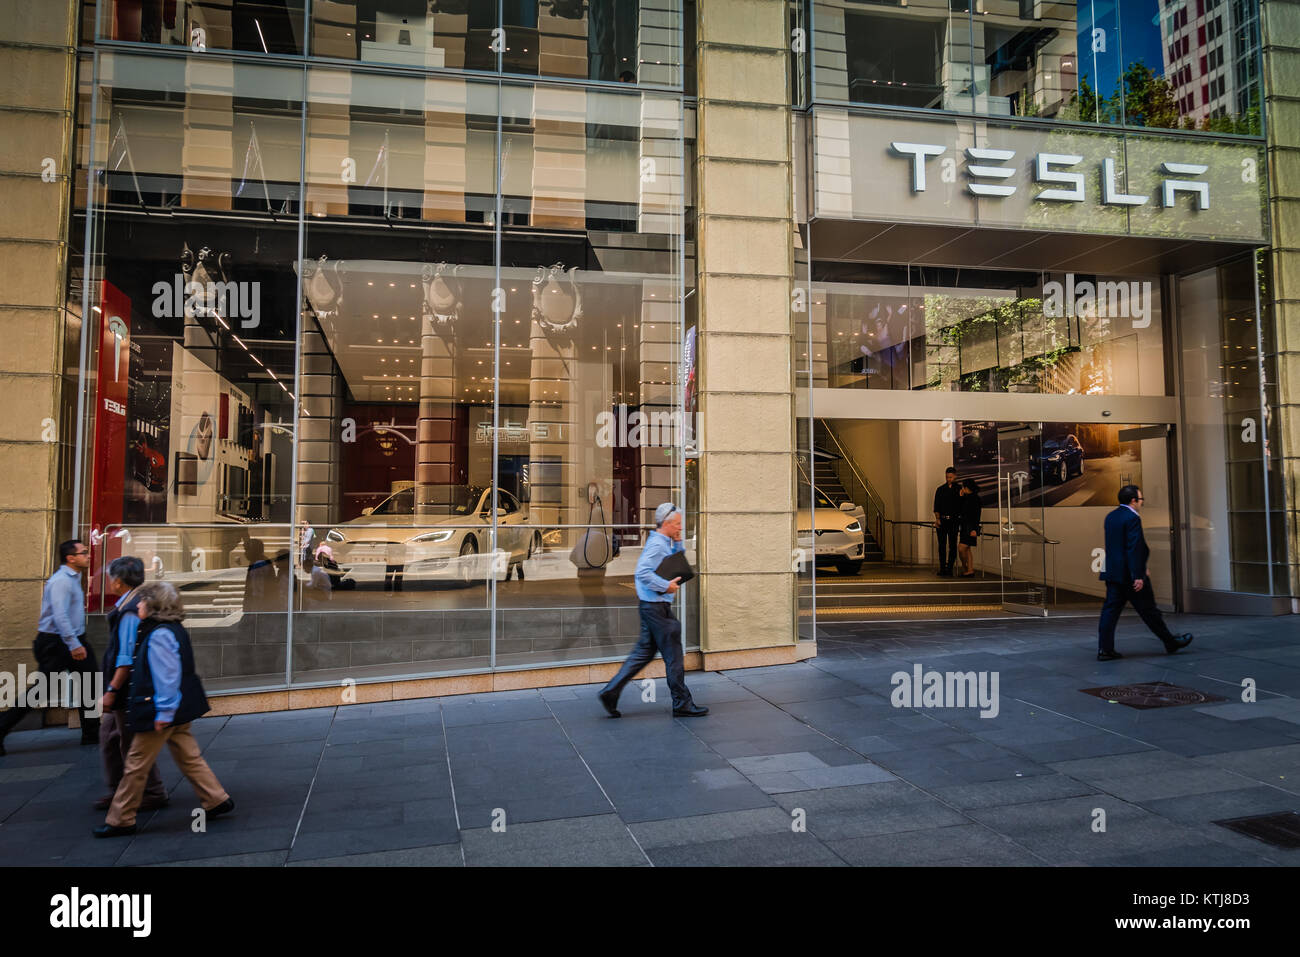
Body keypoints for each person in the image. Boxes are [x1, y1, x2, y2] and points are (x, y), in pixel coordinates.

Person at [94, 581, 233, 838]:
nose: (139, 606)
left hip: (161, 711)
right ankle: (216, 798)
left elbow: (167, 677)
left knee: (136, 763)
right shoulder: (169, 628)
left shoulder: (159, 634)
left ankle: (121, 818)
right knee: (189, 756)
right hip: (175, 710)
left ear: (154, 605)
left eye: (143, 602)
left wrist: (164, 713)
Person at [597, 502, 707, 718]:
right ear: (666, 523)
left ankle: (610, 692)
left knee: (643, 654)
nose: (680, 528)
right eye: (677, 525)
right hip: (656, 608)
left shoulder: (664, 541)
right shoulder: (657, 544)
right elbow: (642, 573)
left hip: (652, 607)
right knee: (674, 655)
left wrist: (677, 543)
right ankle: (682, 703)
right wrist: (666, 586)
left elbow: (677, 560)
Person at [0, 540, 98, 756]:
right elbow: (59, 615)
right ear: (70, 558)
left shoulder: (74, 577)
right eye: (83, 553)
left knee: (89, 683)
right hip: (58, 642)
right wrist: (74, 644)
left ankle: (92, 734)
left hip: (73, 639)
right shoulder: (61, 581)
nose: (87, 555)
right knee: (41, 690)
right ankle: (2, 727)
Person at [96, 556, 168, 812]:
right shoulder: (132, 603)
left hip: (127, 688)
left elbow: (126, 657)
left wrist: (112, 689)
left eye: (110, 577)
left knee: (130, 743)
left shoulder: (130, 610)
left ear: (117, 581)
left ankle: (149, 791)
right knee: (112, 737)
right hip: (127, 687)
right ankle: (120, 789)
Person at [1097, 485, 1193, 661]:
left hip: (1113, 572)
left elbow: (1116, 546)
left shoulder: (1111, 517)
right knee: (1149, 611)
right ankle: (1170, 642)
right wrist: (1138, 574)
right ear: (1133, 501)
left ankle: (1105, 649)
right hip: (1130, 575)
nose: (1141, 503)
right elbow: (1133, 548)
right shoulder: (1132, 517)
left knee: (1110, 612)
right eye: (1141, 499)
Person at [933, 466, 961, 576]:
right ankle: (942, 568)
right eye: (947, 477)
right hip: (943, 520)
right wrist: (938, 519)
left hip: (954, 521)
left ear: (955, 476)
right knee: (942, 545)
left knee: (952, 545)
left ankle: (949, 568)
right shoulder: (940, 489)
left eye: (950, 477)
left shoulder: (959, 489)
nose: (948, 479)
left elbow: (961, 505)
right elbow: (936, 506)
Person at [956, 479, 981, 577]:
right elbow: (960, 510)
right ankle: (970, 570)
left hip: (970, 527)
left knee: (961, 548)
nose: (962, 489)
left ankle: (965, 567)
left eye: (963, 487)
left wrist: (975, 529)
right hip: (964, 526)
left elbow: (977, 515)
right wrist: (961, 497)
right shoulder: (966, 498)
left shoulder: (975, 499)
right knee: (967, 549)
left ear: (966, 488)